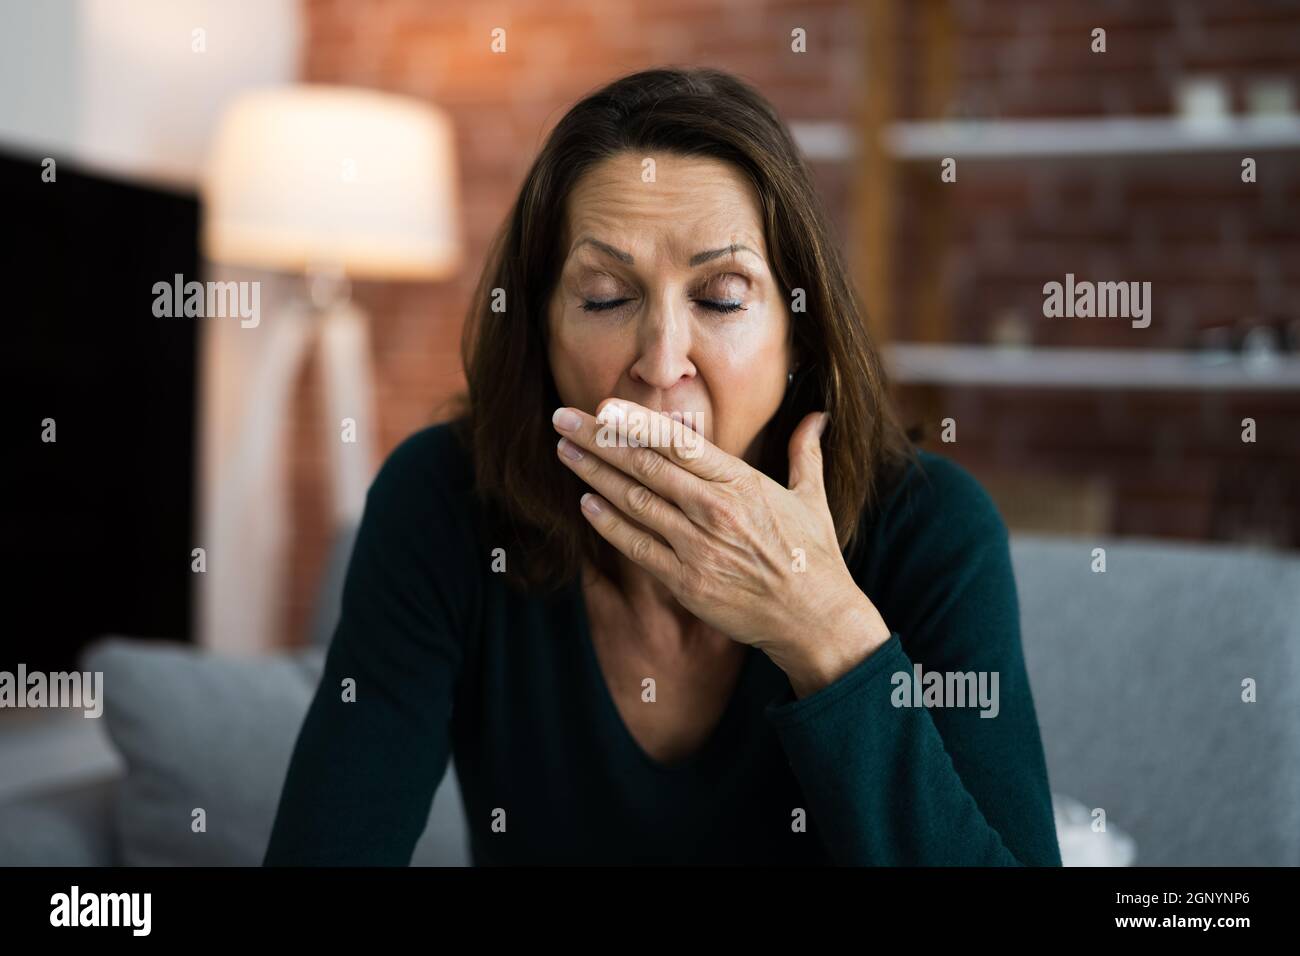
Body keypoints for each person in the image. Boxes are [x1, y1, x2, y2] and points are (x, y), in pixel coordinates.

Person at [263, 66, 1062, 866]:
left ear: (800, 333)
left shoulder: (933, 530)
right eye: (607, 297)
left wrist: (822, 627)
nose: (661, 360)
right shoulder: (442, 501)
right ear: (539, 332)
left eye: (720, 298)